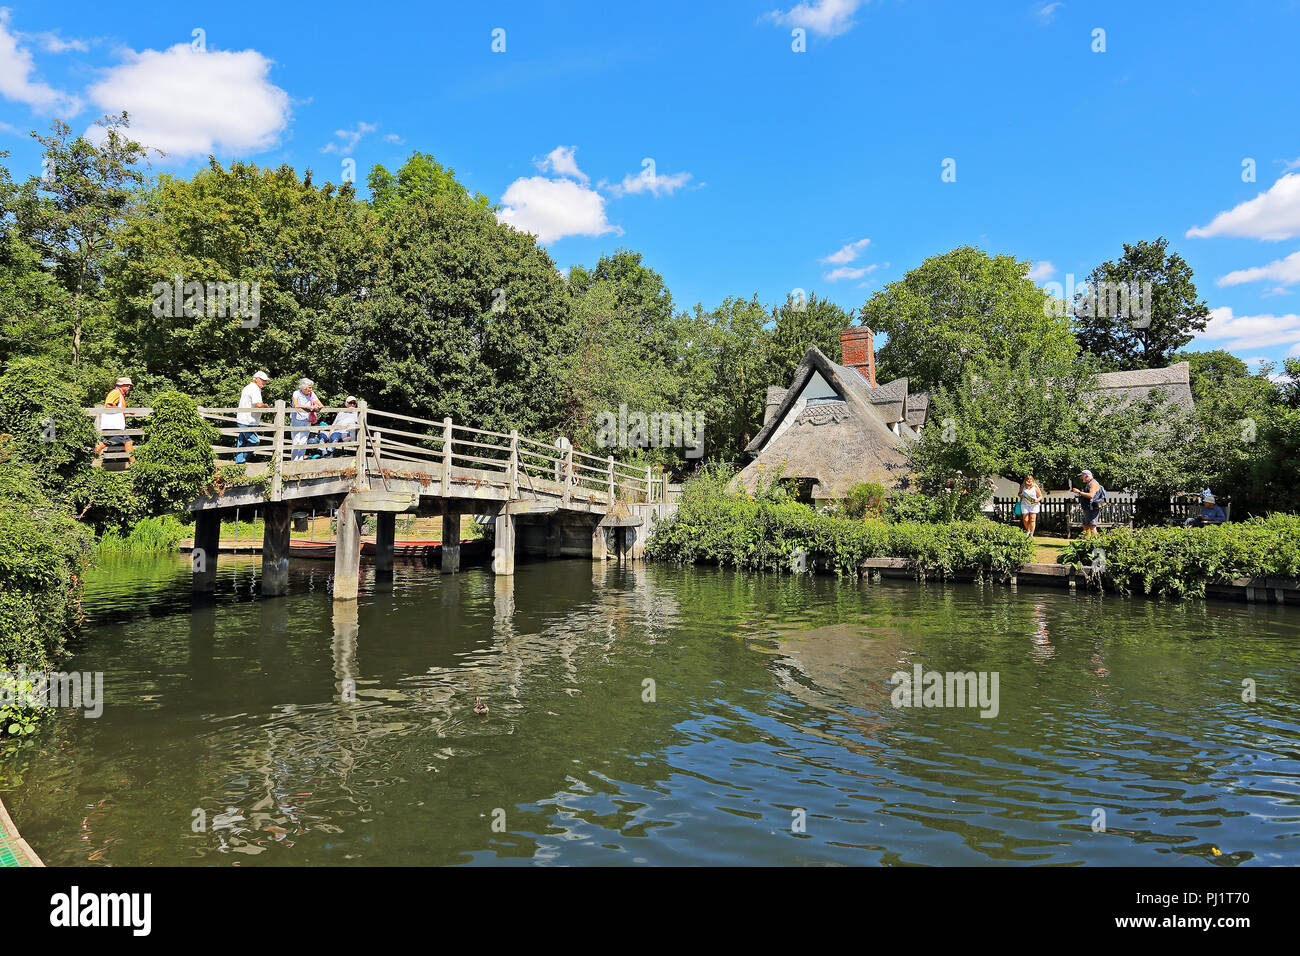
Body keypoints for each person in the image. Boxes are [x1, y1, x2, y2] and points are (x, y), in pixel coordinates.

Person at [93, 376, 134, 462]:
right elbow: (108, 405)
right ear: (121, 385)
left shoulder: (119, 393)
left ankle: (88, 459)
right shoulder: (115, 393)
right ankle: (88, 460)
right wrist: (123, 410)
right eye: (127, 385)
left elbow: (116, 407)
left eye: (129, 385)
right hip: (114, 425)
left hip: (116, 425)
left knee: (127, 442)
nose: (129, 387)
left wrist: (127, 412)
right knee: (103, 444)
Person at [235, 370, 270, 464]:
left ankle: (238, 464)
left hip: (243, 419)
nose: (265, 382)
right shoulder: (254, 389)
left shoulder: (248, 387)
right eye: (263, 380)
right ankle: (241, 461)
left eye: (265, 380)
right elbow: (258, 404)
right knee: (255, 441)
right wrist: (266, 406)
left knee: (241, 443)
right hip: (248, 421)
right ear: (256, 379)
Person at [290, 378, 323, 461]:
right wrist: (308, 407)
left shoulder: (312, 394)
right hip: (297, 420)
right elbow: (296, 405)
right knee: (296, 441)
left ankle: (300, 461)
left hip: (307, 420)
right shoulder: (296, 393)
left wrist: (316, 407)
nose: (311, 389)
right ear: (303, 387)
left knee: (303, 442)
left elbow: (320, 404)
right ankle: (294, 461)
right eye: (309, 387)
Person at [1071, 468, 1104, 537]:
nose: (1081, 477)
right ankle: (1086, 543)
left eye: (1082, 476)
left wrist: (1079, 492)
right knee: (1085, 526)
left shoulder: (1093, 483)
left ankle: (1096, 544)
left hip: (1092, 509)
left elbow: (1091, 495)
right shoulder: (1089, 483)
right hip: (1088, 508)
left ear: (1087, 476)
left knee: (1092, 527)